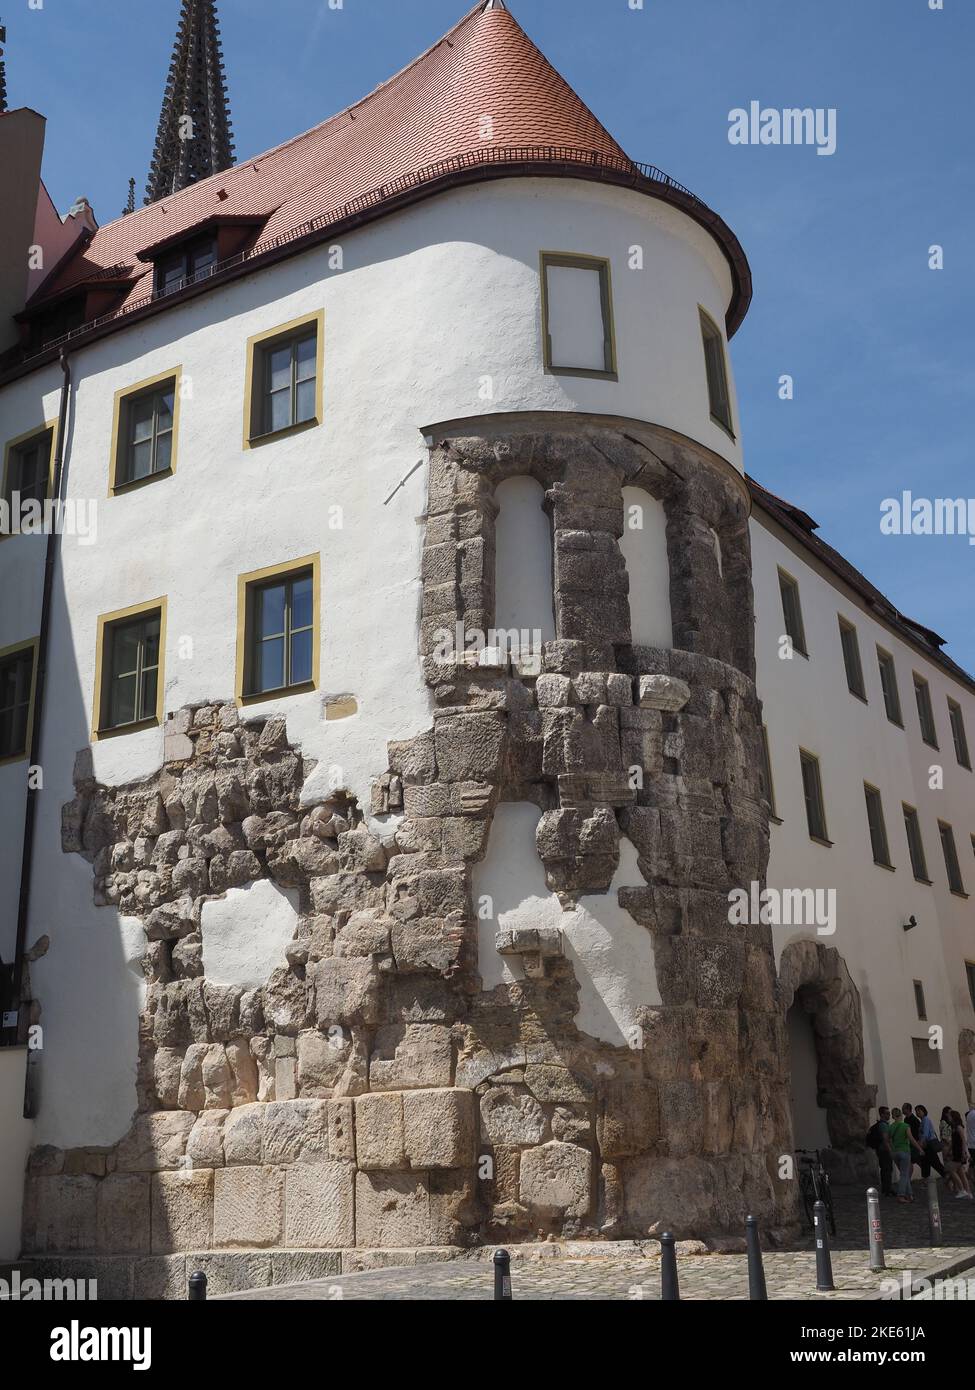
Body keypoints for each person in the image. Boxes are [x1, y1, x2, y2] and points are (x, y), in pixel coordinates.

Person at [889, 1108, 920, 1202]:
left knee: (904, 1174)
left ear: (893, 1116)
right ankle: (901, 1195)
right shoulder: (905, 1126)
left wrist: (892, 1150)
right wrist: (920, 1148)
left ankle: (910, 1195)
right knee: (904, 1174)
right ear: (901, 1115)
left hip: (895, 1153)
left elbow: (888, 1140)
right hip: (904, 1151)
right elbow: (911, 1139)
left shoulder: (891, 1127)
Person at [916, 1104, 950, 1185]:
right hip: (925, 1145)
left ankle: (947, 1177)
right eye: (916, 1111)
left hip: (928, 1144)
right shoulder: (922, 1121)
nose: (917, 1112)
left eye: (919, 1110)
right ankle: (926, 1181)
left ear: (923, 1111)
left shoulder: (926, 1120)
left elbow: (926, 1133)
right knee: (925, 1163)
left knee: (935, 1162)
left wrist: (921, 1142)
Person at [867, 1106, 895, 1196]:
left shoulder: (881, 1124)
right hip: (884, 1150)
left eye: (889, 1113)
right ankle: (888, 1189)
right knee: (887, 1169)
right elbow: (885, 1139)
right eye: (887, 1113)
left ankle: (885, 1188)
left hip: (881, 1149)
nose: (889, 1115)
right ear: (882, 1114)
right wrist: (890, 1150)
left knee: (885, 1169)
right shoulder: (883, 1125)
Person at [946, 1111, 974, 1199]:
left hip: (959, 1152)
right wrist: (949, 1150)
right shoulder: (953, 1127)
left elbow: (963, 1140)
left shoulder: (958, 1127)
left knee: (951, 1169)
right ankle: (968, 1192)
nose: (948, 1118)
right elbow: (953, 1142)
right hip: (955, 1151)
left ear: (953, 1117)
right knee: (961, 1172)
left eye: (949, 1116)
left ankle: (962, 1190)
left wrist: (964, 1152)